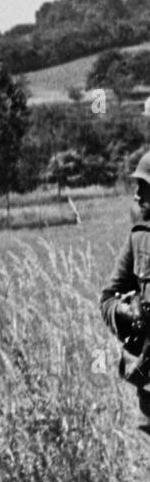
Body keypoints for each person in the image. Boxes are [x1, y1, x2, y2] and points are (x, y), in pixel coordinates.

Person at [98, 150, 150, 432]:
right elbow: (106, 299)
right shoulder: (139, 240)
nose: (137, 195)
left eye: (144, 187)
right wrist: (128, 311)